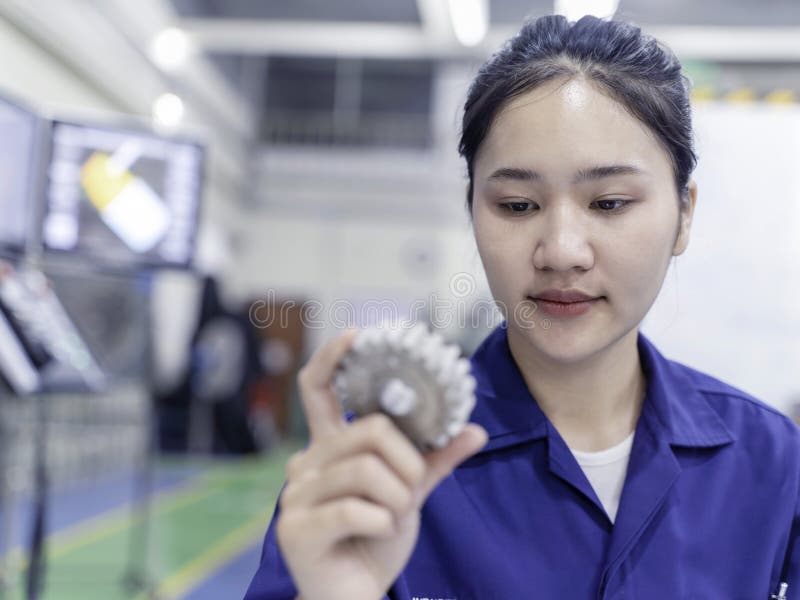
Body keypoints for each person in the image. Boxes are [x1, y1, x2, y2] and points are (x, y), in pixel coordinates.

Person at [244, 14, 800, 599]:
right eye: (516, 205)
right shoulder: (370, 474)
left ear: (683, 213)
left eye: (608, 203)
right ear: (473, 209)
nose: (561, 251)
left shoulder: (773, 465)